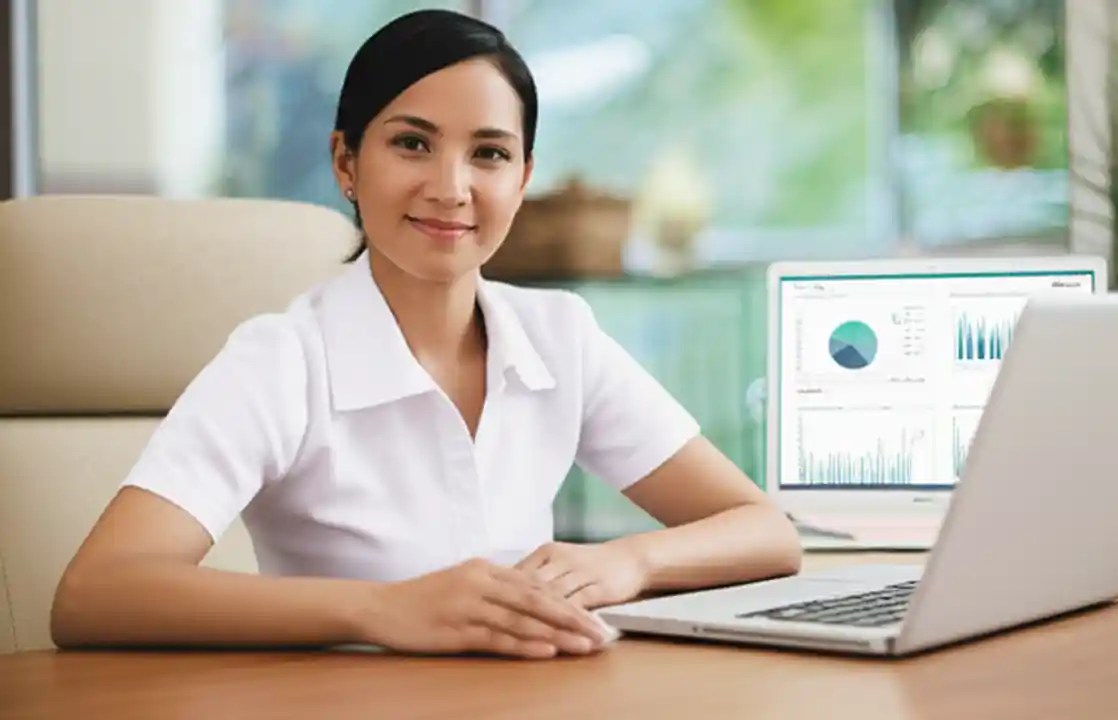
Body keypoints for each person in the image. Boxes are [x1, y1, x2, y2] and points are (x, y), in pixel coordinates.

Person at [51, 9, 800, 660]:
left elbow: (766, 531)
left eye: (490, 154)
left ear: (524, 175)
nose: (451, 187)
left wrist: (629, 563)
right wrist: (380, 609)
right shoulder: (282, 359)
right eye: (412, 144)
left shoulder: (558, 335)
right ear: (347, 163)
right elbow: (94, 595)